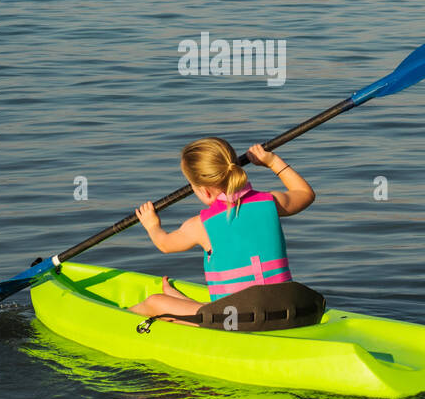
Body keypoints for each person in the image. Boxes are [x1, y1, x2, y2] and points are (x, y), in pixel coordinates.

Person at [129, 137, 316, 324]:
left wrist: (152, 225)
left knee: (155, 302)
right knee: (228, 304)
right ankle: (182, 303)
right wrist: (273, 161)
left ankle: (116, 319)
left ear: (205, 191)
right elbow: (305, 194)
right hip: (290, 308)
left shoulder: (200, 225)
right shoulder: (270, 202)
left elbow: (165, 244)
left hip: (238, 321)